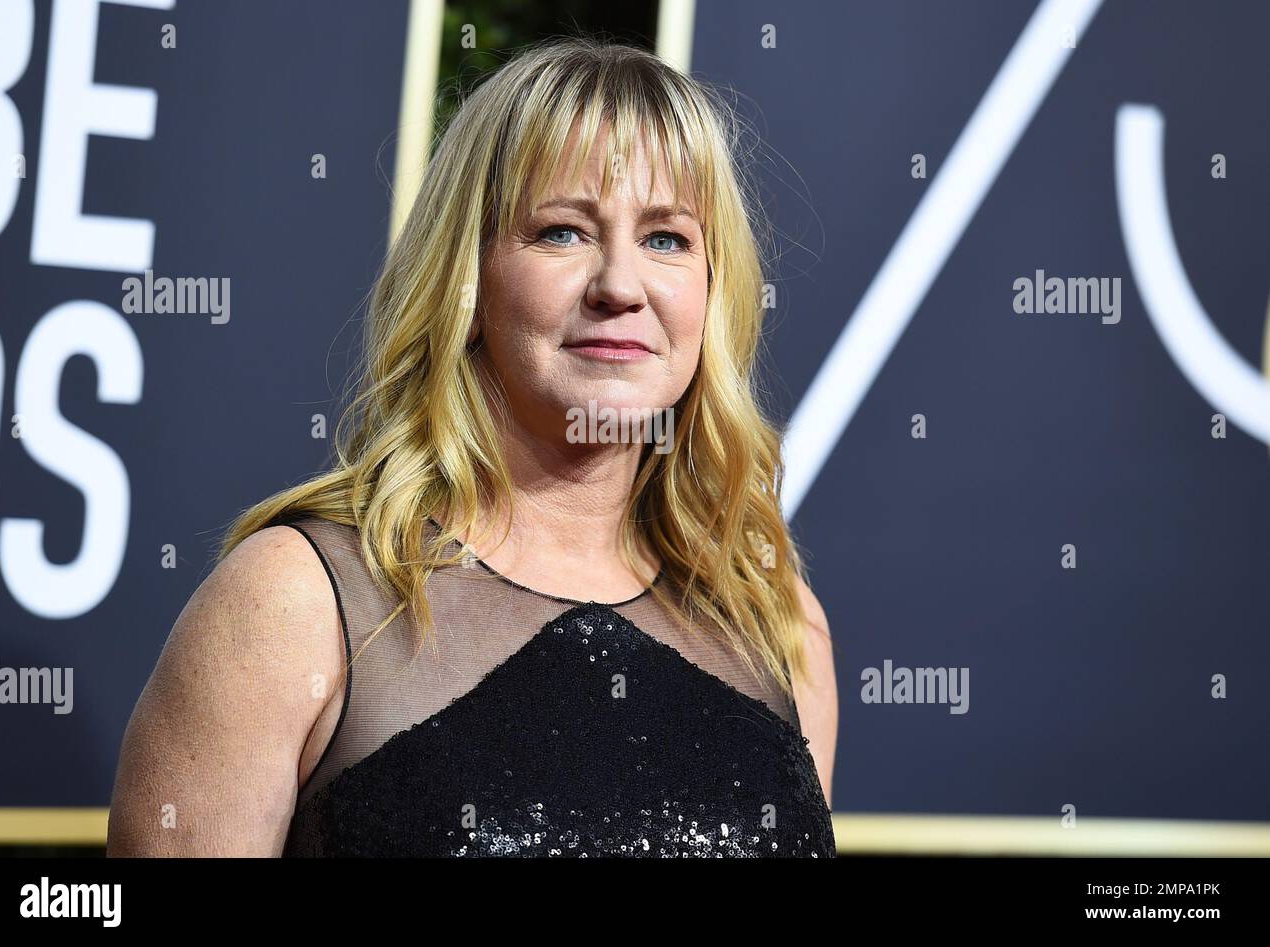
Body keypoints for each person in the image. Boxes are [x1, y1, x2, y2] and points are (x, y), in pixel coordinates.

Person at [107, 36, 838, 857]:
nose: (620, 286)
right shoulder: (296, 605)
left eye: (667, 239)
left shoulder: (775, 625)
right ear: (468, 275)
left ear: (714, 289)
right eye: (562, 231)